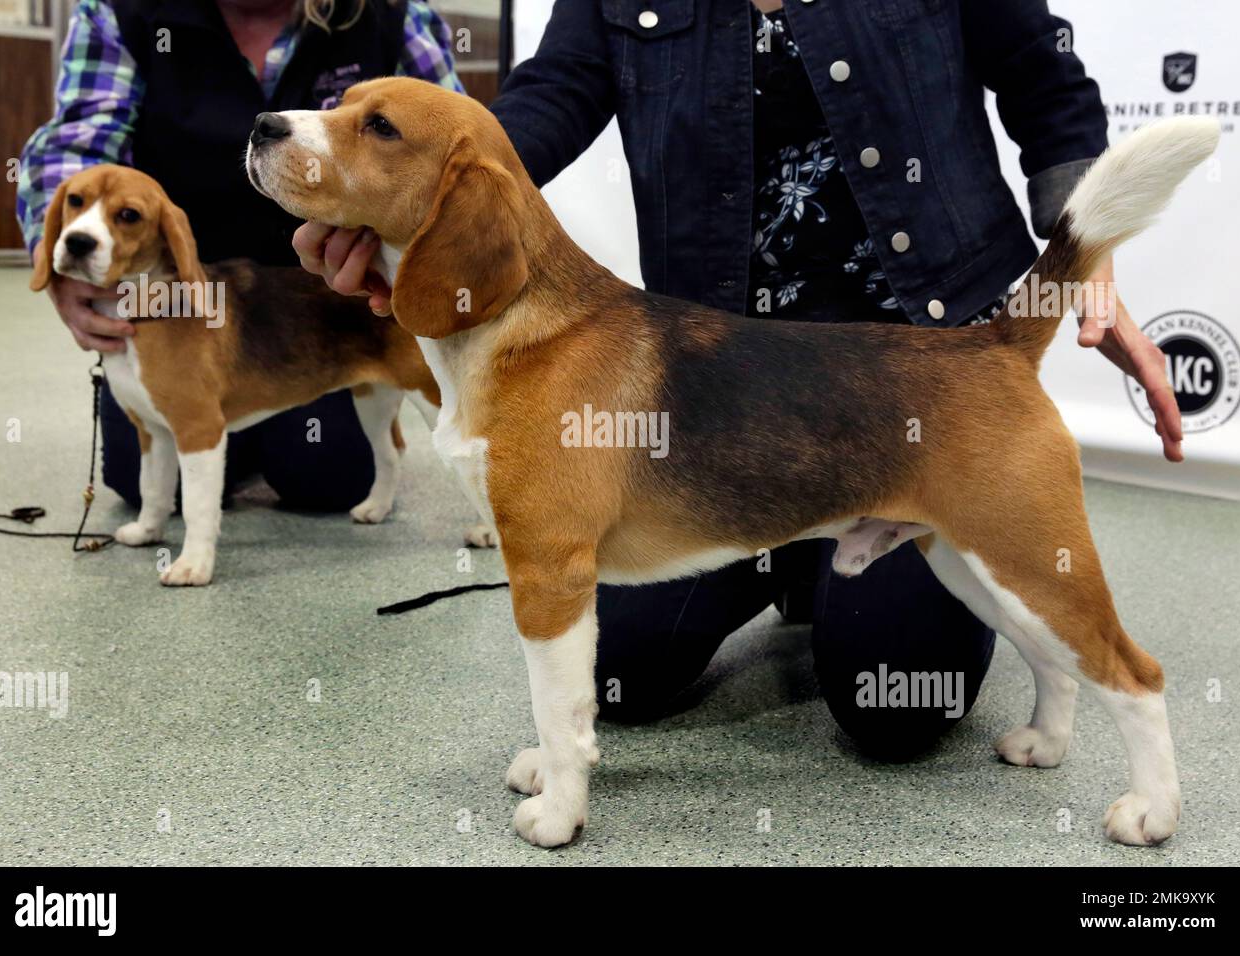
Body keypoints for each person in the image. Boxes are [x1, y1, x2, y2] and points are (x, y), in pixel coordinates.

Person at [296, 0, 1186, 756]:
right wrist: (395, 203)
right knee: (616, 673)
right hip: (715, 401)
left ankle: (891, 606)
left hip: (932, 369)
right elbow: (545, 101)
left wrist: (1087, 257)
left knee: (892, 699)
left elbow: (1042, 68)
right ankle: (786, 564)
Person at [17, 0, 461, 511]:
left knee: (328, 480)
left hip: (326, 302)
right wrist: (62, 254)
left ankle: (253, 429)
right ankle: (229, 429)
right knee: (147, 470)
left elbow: (453, 147)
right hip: (177, 291)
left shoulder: (392, 16)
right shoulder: (120, 13)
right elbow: (75, 151)